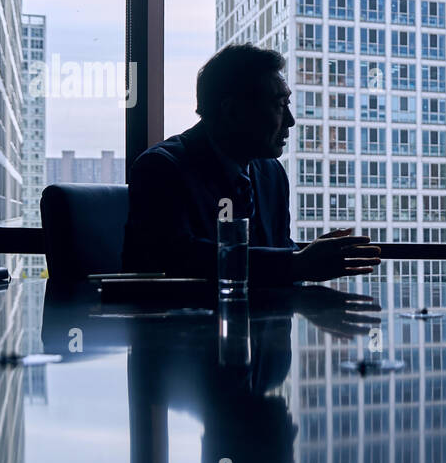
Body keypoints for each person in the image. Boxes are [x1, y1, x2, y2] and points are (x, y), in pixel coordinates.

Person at [122, 43, 380, 285]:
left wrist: (300, 259)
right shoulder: (161, 169)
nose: (290, 121)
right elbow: (177, 260)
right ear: (232, 111)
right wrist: (296, 263)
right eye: (280, 105)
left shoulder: (271, 172)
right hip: (176, 327)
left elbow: (275, 251)